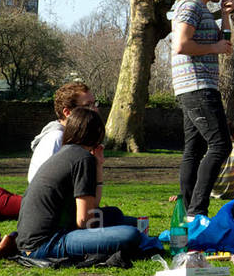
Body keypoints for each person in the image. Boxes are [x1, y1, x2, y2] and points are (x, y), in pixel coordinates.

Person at [17, 108, 148, 260]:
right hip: (46, 243)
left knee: (115, 214)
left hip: (30, 239)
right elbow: (84, 221)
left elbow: (93, 207)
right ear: (98, 134)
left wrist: (98, 165)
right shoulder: (83, 159)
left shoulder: (66, 153)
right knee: (130, 234)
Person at [171, 0, 234, 221]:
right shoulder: (190, 5)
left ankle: (189, 213)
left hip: (200, 84)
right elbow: (181, 44)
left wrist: (226, 15)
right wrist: (213, 49)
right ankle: (197, 210)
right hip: (196, 86)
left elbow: (225, 44)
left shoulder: (205, 10)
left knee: (194, 149)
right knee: (221, 145)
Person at [28, 82, 98, 182]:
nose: (95, 110)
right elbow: (40, 183)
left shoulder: (77, 138)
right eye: (87, 105)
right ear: (67, 112)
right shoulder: (56, 138)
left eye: (94, 104)